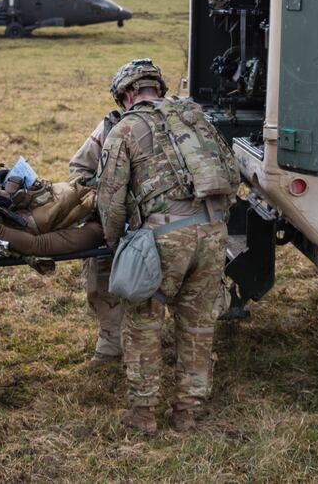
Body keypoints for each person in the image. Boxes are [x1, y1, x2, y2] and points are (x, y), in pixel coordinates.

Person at [95, 59, 236, 435]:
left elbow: (109, 198)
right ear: (156, 88)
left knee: (143, 323)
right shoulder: (196, 118)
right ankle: (186, 413)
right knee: (198, 326)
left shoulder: (125, 128)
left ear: (127, 94)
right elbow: (232, 172)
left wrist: (116, 243)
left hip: (162, 239)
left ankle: (143, 414)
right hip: (213, 232)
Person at [68, 111, 124, 363]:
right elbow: (79, 169)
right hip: (112, 219)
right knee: (101, 275)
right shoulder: (111, 127)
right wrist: (103, 195)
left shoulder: (172, 123)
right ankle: (112, 340)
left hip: (161, 224)